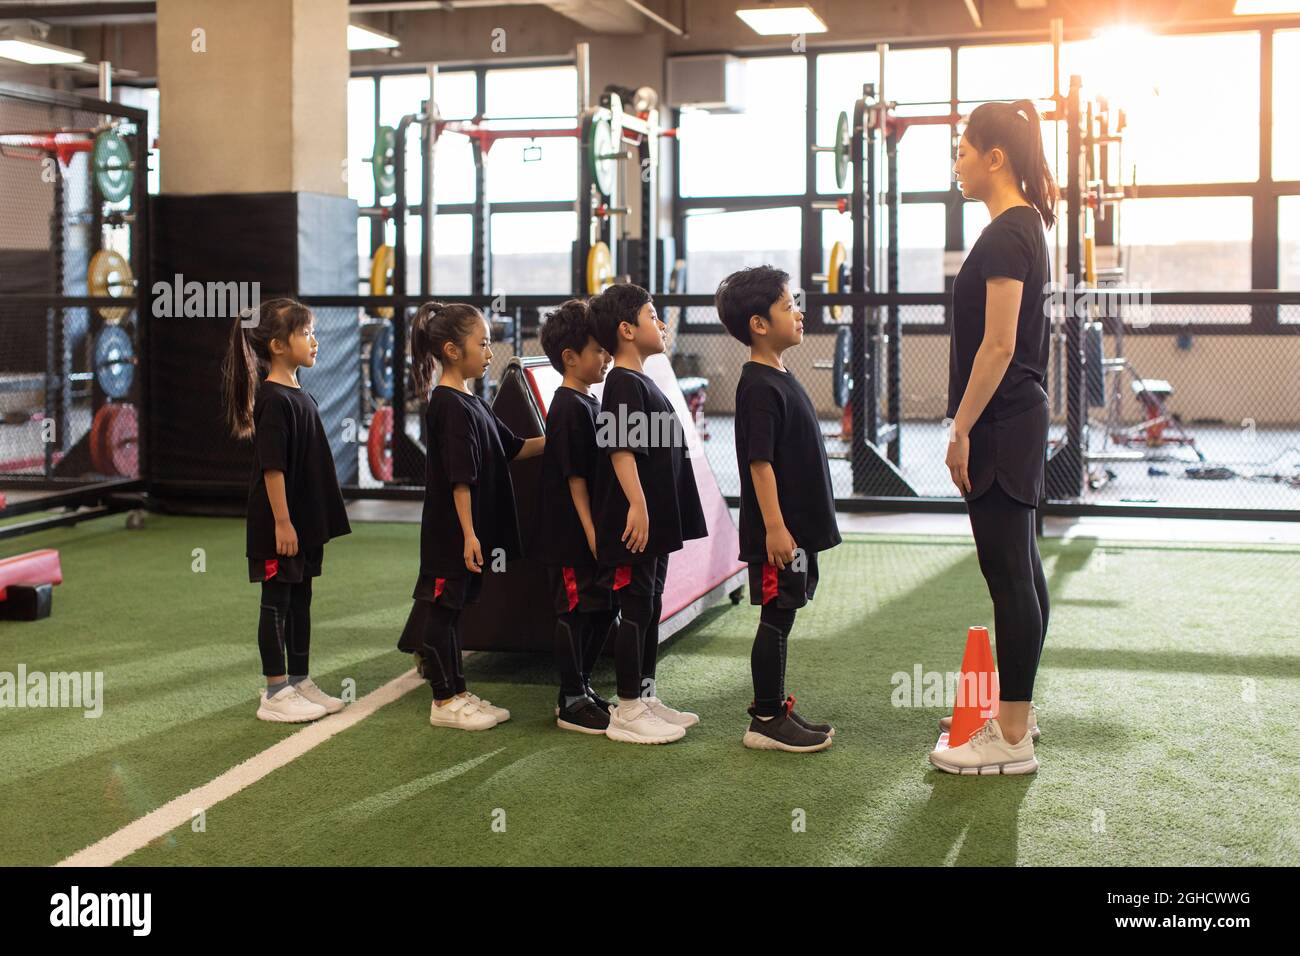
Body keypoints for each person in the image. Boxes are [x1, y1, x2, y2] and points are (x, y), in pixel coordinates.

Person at [930, 99, 1055, 775]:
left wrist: (960, 429)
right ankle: (1018, 717)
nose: (956, 164)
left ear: (994, 157)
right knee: (1022, 572)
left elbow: (998, 345)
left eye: (961, 151)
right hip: (1016, 418)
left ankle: (1009, 738)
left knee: (1009, 575)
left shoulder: (1008, 232)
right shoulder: (1020, 226)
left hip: (1003, 420)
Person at [396, 302, 544, 731]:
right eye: (481, 343)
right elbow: (461, 479)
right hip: (451, 534)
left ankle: (458, 692)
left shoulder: (472, 402)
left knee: (454, 611)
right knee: (440, 613)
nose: (489, 351)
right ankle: (443, 701)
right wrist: (468, 534)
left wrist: (568, 433)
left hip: (466, 532)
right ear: (451, 350)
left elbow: (514, 447)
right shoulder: (448, 405)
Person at [716, 266, 840, 753]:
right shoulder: (758, 386)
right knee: (775, 614)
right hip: (779, 535)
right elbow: (759, 464)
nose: (799, 312)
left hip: (796, 531)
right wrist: (774, 528)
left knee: (785, 611)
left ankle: (776, 708)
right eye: (789, 306)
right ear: (759, 324)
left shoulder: (780, 376)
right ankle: (765, 717)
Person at [589, 283, 708, 745]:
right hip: (633, 521)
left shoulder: (641, 378)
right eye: (653, 315)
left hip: (653, 518)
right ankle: (627, 709)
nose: (662, 324)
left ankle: (645, 695)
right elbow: (621, 449)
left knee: (652, 603)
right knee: (636, 607)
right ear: (626, 330)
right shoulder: (621, 380)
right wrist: (637, 506)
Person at [223, 298, 352, 723]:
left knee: (301, 600)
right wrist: (282, 521)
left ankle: (299, 679)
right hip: (279, 525)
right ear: (278, 345)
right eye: (306, 333)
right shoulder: (274, 400)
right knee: (276, 602)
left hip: (303, 524)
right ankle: (275, 690)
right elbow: (273, 469)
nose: (315, 340)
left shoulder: (300, 393)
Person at [537, 299, 619, 733]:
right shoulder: (567, 406)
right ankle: (569, 698)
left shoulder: (589, 401)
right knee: (574, 609)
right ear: (570, 358)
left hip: (591, 532)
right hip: (570, 534)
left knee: (603, 608)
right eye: (597, 351)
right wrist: (591, 533)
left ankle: (583, 688)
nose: (606, 358)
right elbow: (575, 481)